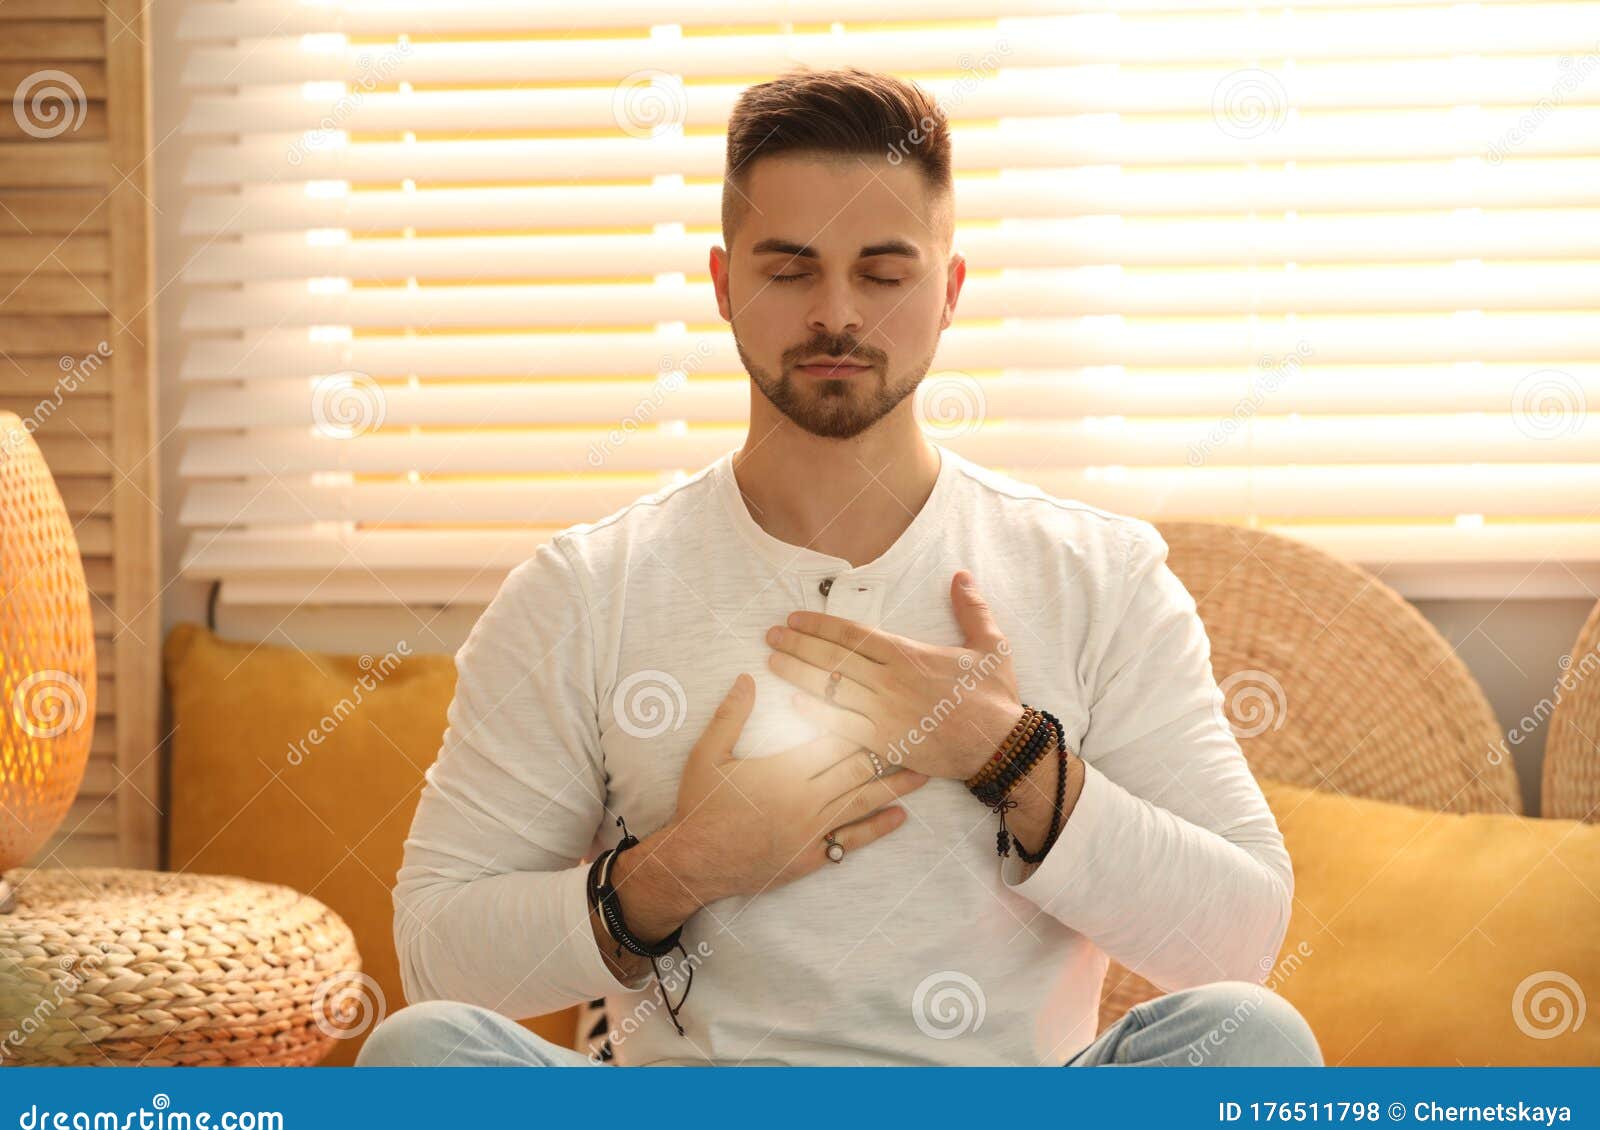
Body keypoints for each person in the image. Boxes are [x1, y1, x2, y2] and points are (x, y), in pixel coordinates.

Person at [357, 66, 1322, 1069]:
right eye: (790, 268)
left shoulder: (1102, 576)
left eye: (881, 271)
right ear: (725, 282)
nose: (836, 314)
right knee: (422, 1051)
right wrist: (682, 868)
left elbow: (1239, 941)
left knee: (1252, 1041)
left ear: (947, 292)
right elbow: (440, 958)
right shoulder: (584, 590)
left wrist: (1010, 756)